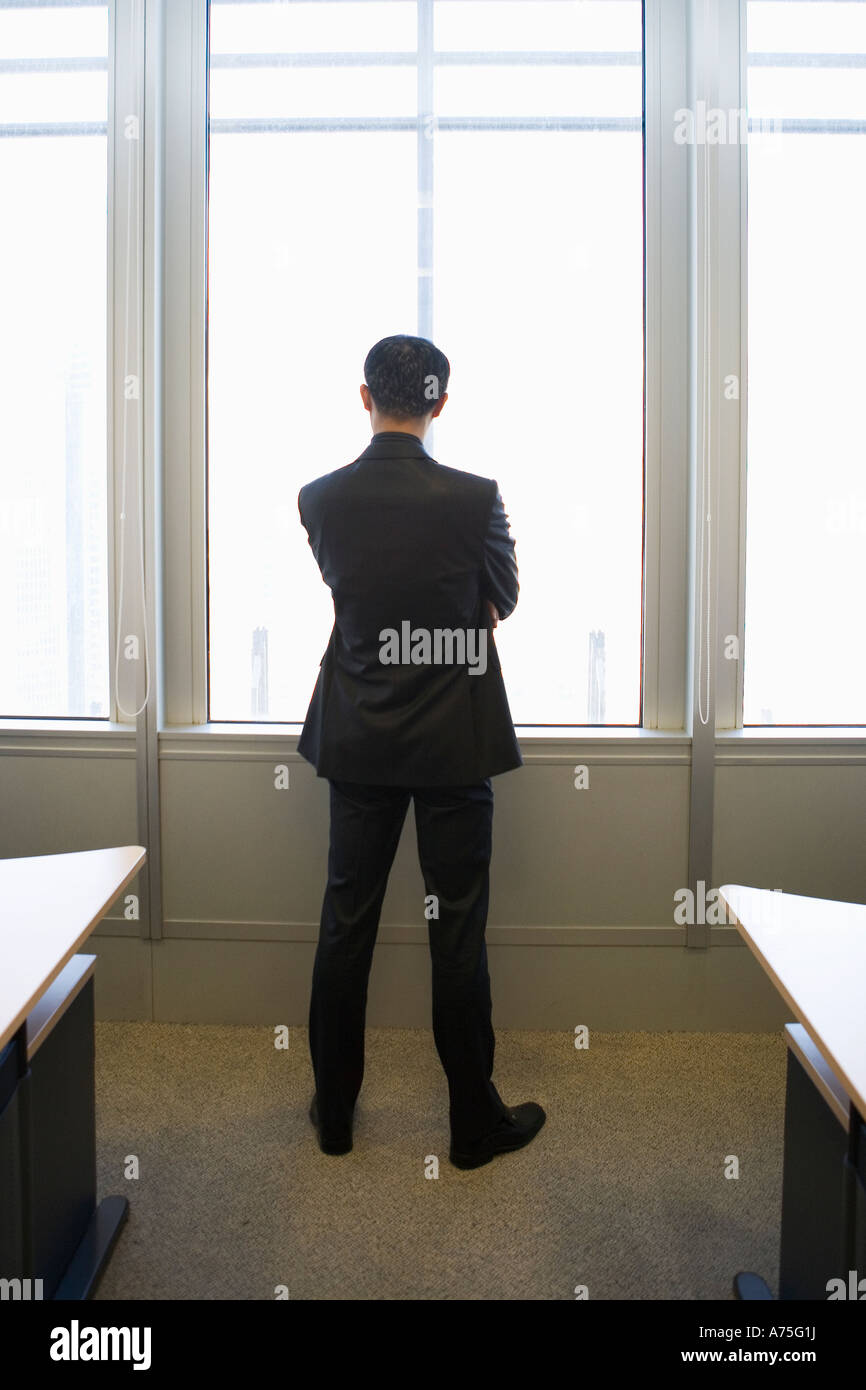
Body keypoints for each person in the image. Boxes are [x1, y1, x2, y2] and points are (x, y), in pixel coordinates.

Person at [297, 334, 545, 1170]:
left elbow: (357, 595)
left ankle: (334, 1114)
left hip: (361, 734)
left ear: (363, 398)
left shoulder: (320, 499)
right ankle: (472, 1126)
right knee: (458, 933)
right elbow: (503, 595)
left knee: (346, 926)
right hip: (453, 740)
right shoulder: (475, 499)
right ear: (440, 404)